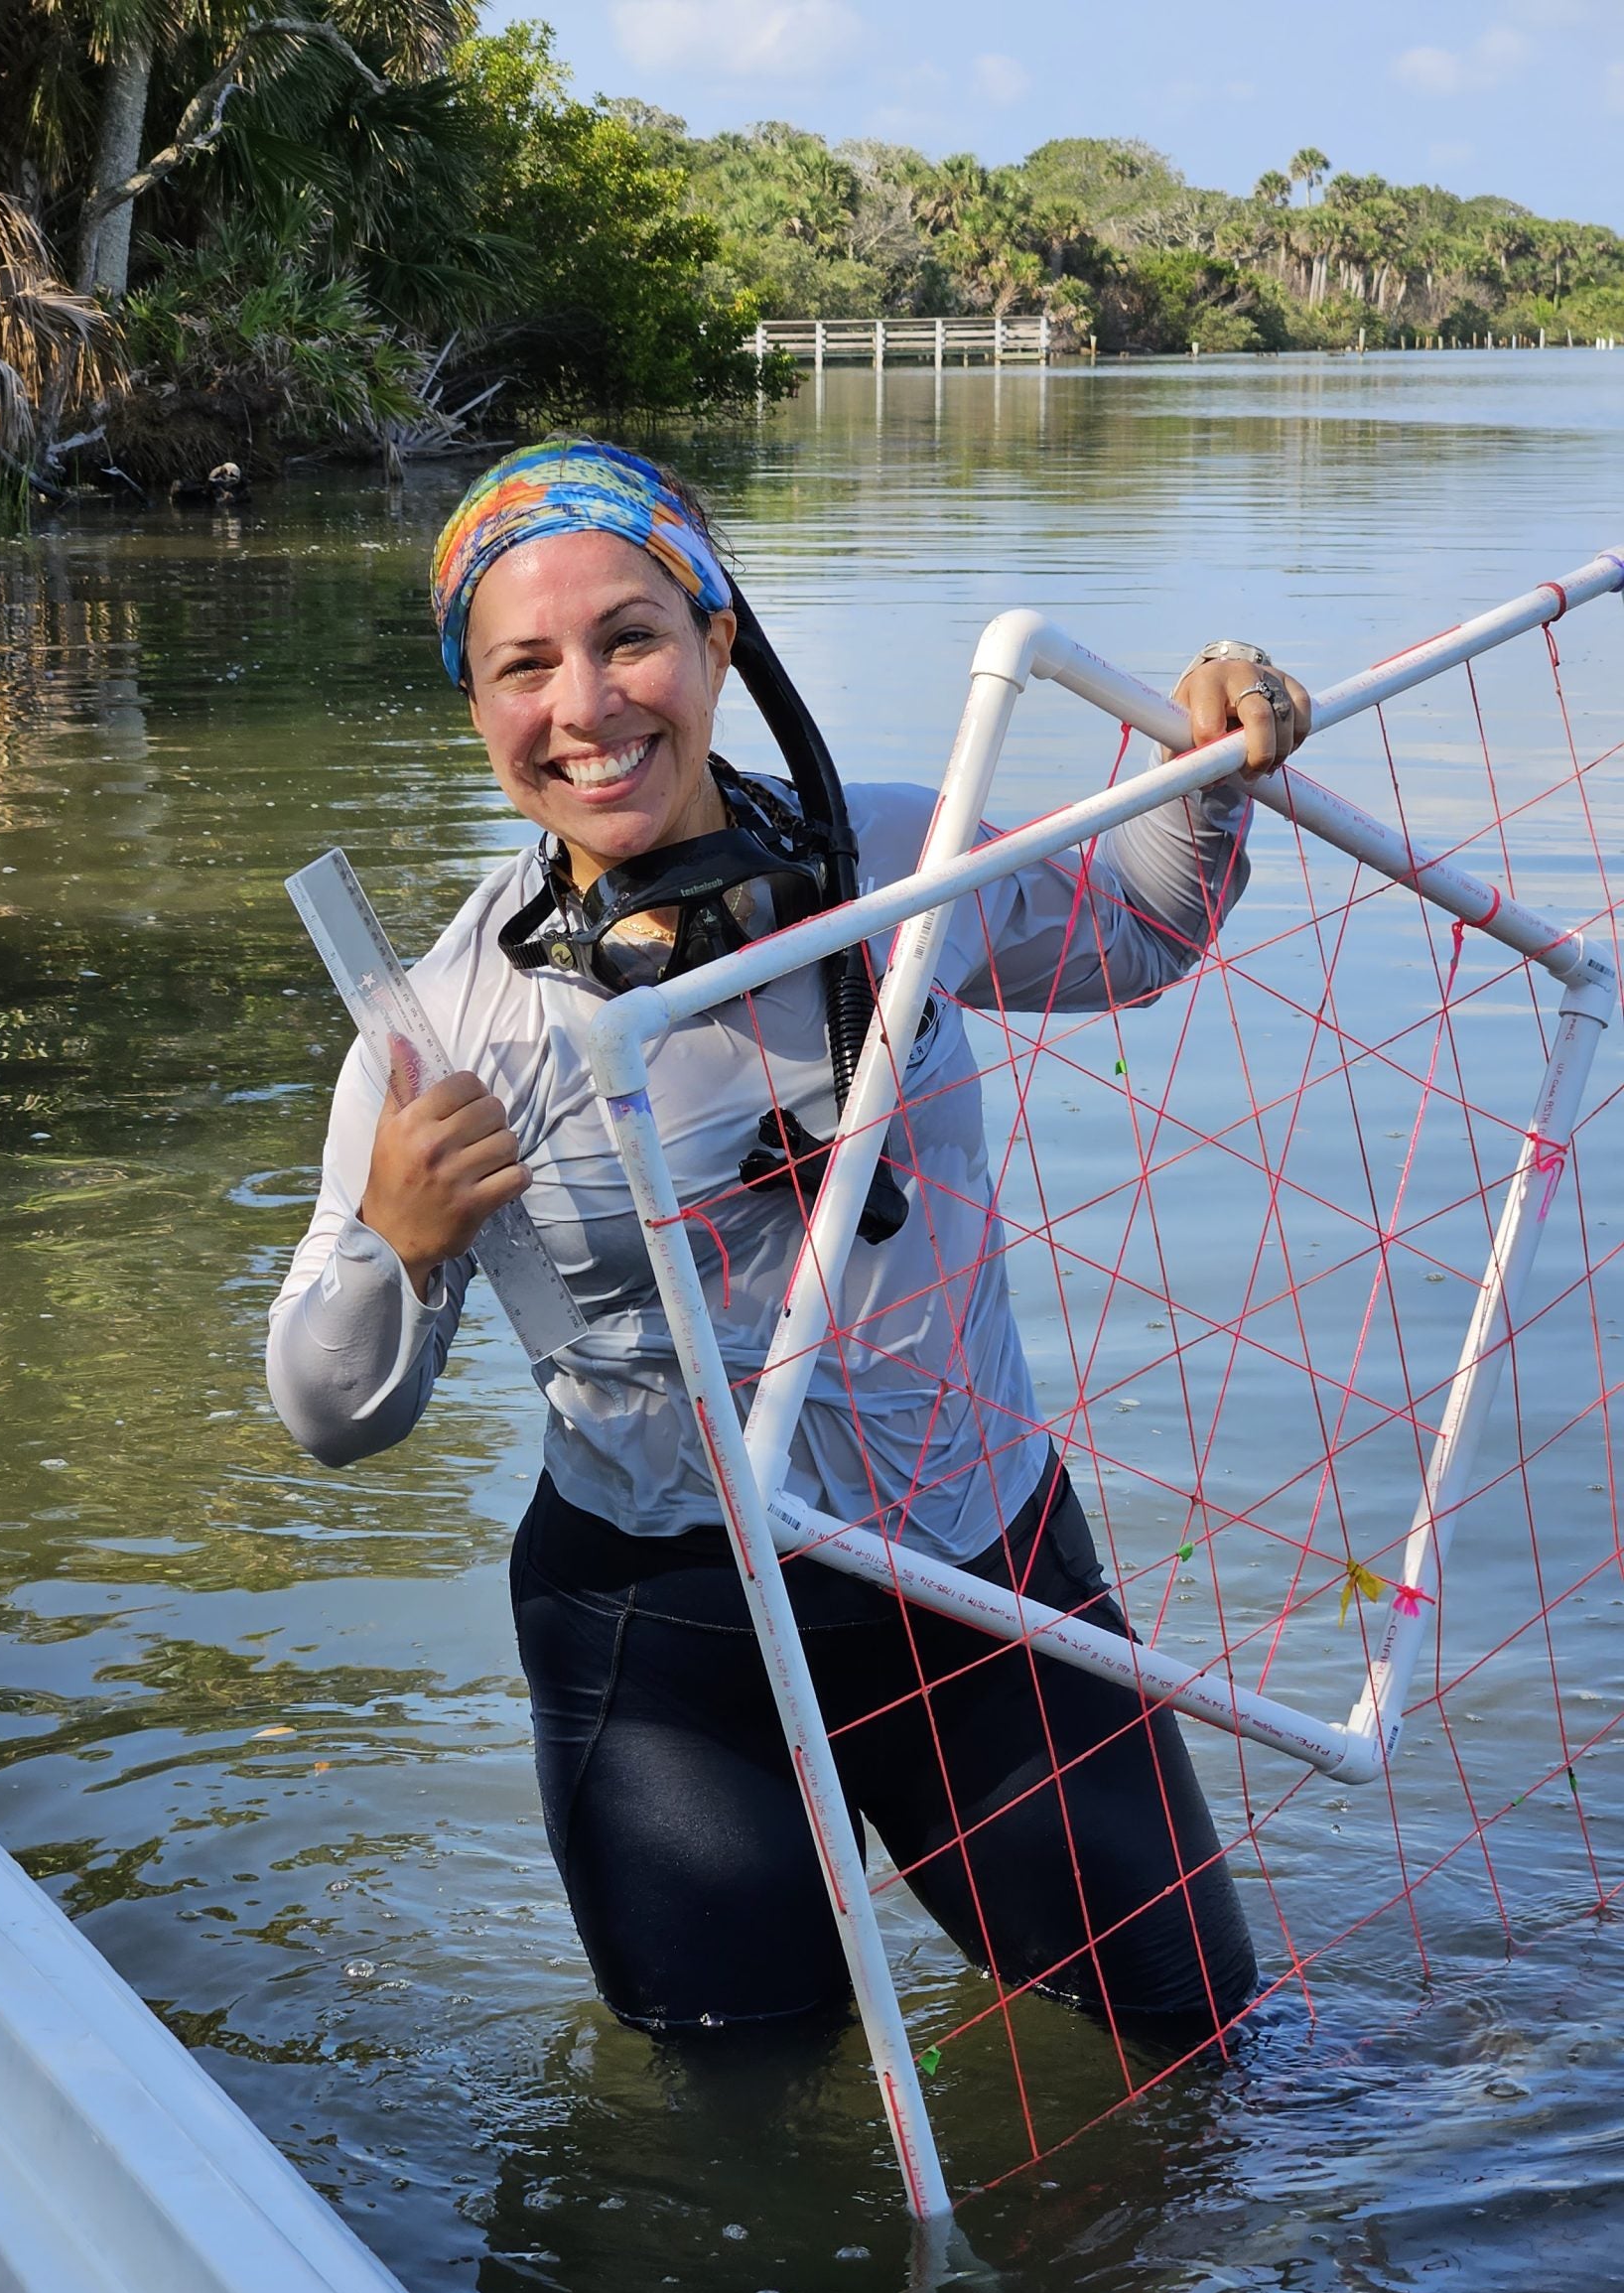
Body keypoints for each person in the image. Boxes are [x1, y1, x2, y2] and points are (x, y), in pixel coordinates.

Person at [269, 439, 1312, 2041]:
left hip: (984, 1582)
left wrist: (1213, 734)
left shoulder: (896, 862)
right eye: (523, 666)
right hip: (667, 1638)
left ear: (718, 643)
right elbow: (329, 1414)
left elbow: (1144, 926)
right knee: (744, 2115)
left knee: (1197, 2040)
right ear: (473, 703)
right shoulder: (444, 1033)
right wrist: (395, 1245)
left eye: (629, 638)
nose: (586, 706)